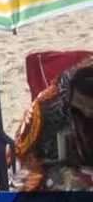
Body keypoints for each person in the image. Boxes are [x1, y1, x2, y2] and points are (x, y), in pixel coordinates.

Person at [14, 59, 93, 191]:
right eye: (81, 103)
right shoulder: (47, 108)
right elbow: (24, 154)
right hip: (55, 165)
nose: (87, 111)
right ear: (71, 93)